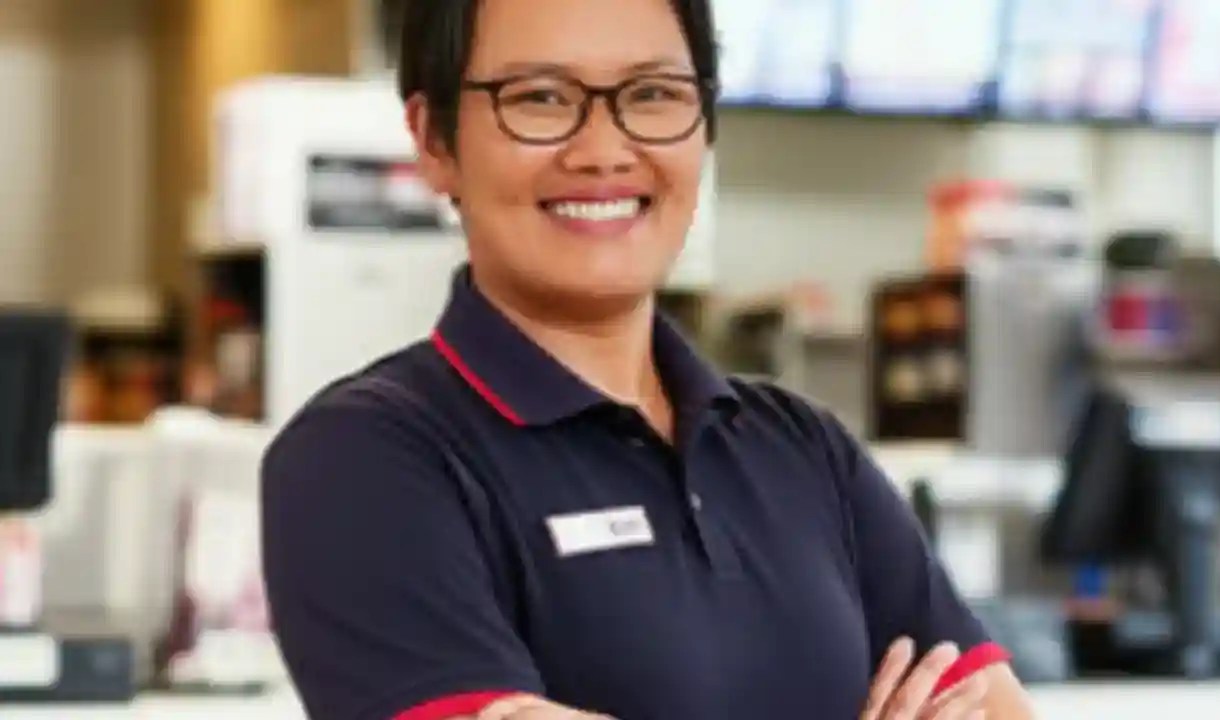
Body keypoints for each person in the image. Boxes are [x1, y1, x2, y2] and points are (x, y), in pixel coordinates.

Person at [260, 1, 1038, 718]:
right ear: (433, 141)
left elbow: (995, 707)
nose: (604, 150)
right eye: (540, 98)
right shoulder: (361, 458)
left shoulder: (804, 449)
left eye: (654, 95)